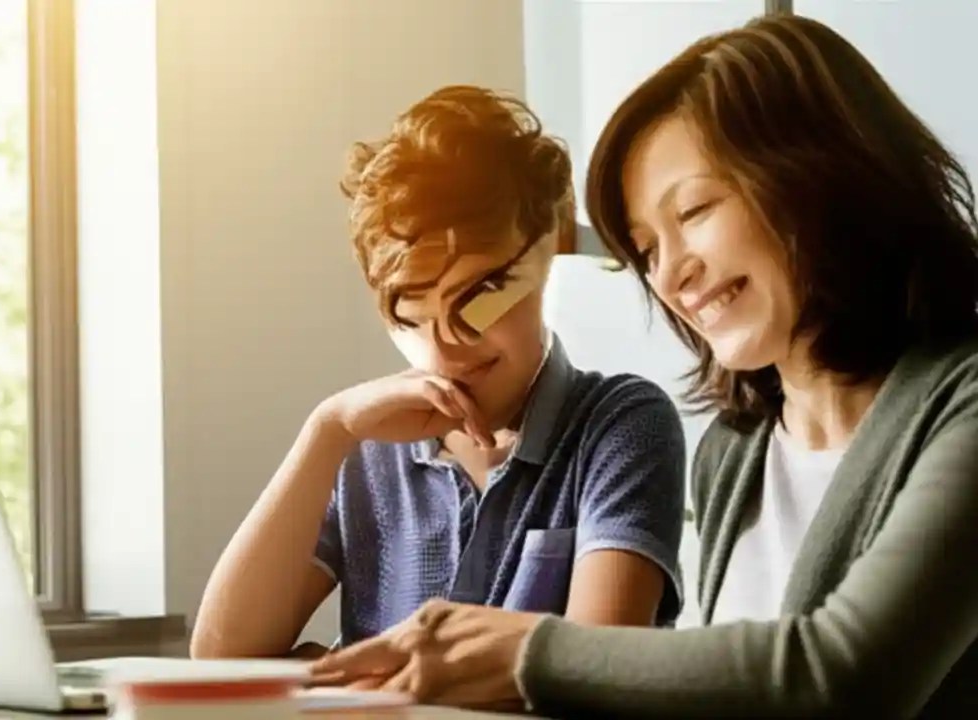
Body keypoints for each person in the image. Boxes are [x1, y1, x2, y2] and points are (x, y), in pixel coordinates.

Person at [311, 14, 978, 717]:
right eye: (647, 249)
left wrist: (520, 652)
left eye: (693, 209)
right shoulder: (734, 453)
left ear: (823, 175)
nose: (672, 274)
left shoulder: (961, 408)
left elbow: (843, 678)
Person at [189, 85, 687, 661]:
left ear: (547, 255)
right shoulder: (367, 449)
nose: (447, 350)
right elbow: (222, 653)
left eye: (478, 302)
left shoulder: (619, 425)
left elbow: (595, 665)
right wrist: (325, 431)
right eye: (413, 317)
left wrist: (367, 671)